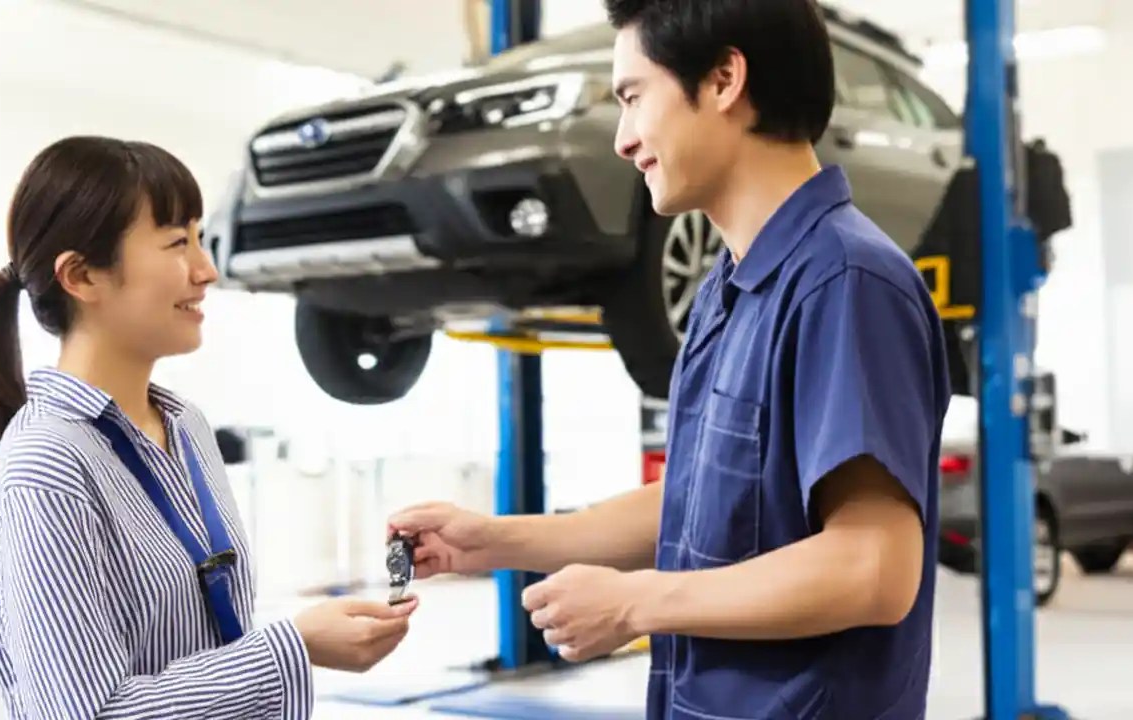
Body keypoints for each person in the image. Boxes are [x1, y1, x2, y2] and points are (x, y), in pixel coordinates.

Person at [388, 1, 951, 718]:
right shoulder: (728, 288)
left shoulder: (846, 283)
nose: (624, 139)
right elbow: (702, 499)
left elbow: (873, 567)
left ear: (723, 80)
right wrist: (495, 541)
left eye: (632, 97)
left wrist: (636, 603)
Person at [0, 136, 417, 719]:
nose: (206, 271)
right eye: (178, 242)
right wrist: (292, 648)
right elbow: (84, 714)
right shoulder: (46, 465)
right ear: (81, 276)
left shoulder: (185, 426)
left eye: (200, 239)